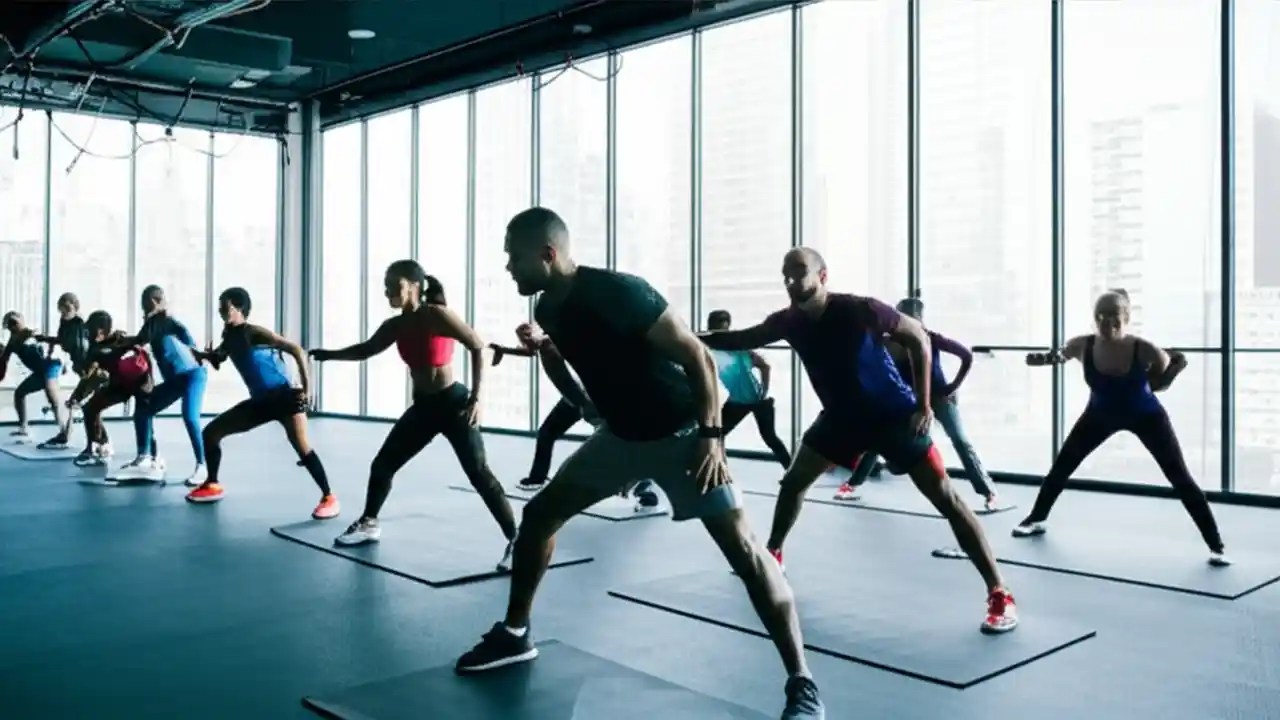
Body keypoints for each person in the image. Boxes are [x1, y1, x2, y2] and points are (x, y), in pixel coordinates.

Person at [454, 208, 825, 720]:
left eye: (513, 256)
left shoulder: (622, 292)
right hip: (620, 438)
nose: (507, 267)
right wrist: (582, 398)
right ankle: (515, 634)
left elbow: (696, 356)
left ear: (547, 254)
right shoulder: (548, 310)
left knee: (746, 555)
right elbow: (568, 358)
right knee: (540, 517)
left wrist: (712, 439)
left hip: (683, 437)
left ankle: (802, 683)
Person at [699, 247, 1018, 635]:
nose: (791, 281)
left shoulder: (860, 309)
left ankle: (999, 592)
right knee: (793, 483)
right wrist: (683, 335)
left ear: (823, 276)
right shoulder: (787, 322)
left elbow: (919, 338)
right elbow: (740, 338)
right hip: (841, 420)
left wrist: (923, 405)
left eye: (799, 272)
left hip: (895, 417)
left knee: (947, 499)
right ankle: (774, 552)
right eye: (785, 275)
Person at [310, 261, 519, 570]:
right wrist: (328, 355)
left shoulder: (436, 315)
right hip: (424, 408)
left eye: (389, 284)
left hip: (454, 404)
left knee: (479, 474)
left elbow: (476, 345)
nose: (385, 291)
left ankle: (518, 541)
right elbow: (365, 349)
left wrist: (478, 397)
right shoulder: (395, 325)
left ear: (410, 285)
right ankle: (369, 523)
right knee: (383, 465)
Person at [1016, 289, 1229, 566]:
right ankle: (1036, 518)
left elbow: (1161, 382)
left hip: (1147, 416)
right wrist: (1042, 360)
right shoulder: (1084, 345)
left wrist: (1173, 368)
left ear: (1126, 317)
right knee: (1063, 464)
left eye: (1113, 317)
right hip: (1099, 415)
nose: (1106, 324)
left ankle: (1216, 544)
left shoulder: (1145, 348)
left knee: (1179, 476)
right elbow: (1060, 355)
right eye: (1100, 317)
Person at [833, 298, 1000, 511]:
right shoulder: (890, 342)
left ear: (920, 319)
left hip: (939, 398)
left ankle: (989, 492)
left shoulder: (930, 338)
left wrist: (953, 386)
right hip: (911, 400)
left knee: (960, 441)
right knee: (878, 439)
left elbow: (966, 355)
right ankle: (852, 485)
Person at [185, 287, 339, 519]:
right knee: (211, 433)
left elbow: (296, 349)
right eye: (220, 306)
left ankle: (329, 497)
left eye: (225, 307)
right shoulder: (229, 336)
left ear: (238, 309)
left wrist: (307, 390)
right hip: (260, 402)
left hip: (286, 396)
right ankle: (212, 484)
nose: (220, 311)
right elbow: (219, 359)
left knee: (301, 446)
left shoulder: (253, 332)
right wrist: (203, 356)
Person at [491, 323, 659, 511]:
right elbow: (529, 351)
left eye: (529, 336)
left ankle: (645, 488)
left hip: (588, 400)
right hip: (571, 400)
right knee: (546, 433)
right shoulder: (538, 347)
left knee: (617, 443)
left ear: (539, 331)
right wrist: (503, 350)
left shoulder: (553, 341)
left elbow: (548, 344)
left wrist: (586, 405)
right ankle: (537, 477)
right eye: (523, 339)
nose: (527, 341)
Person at [109, 286, 208, 484]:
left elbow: (186, 337)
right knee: (145, 406)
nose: (142, 306)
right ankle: (146, 457)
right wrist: (114, 340)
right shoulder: (152, 323)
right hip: (176, 380)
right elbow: (138, 340)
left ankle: (203, 466)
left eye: (144, 302)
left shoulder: (167, 320)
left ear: (154, 301)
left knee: (190, 417)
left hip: (193, 375)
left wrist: (199, 352)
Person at [701, 309, 792, 468]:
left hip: (758, 401)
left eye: (724, 329)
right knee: (718, 433)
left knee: (770, 438)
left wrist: (764, 391)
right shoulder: (709, 349)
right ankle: (721, 469)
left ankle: (791, 471)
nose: (722, 334)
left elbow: (765, 367)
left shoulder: (742, 350)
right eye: (717, 328)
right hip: (737, 401)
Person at [66, 311, 154, 467]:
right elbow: (90, 377)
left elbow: (145, 345)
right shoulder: (97, 349)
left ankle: (152, 455)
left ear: (100, 331)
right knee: (90, 409)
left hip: (140, 385)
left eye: (90, 330)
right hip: (119, 386)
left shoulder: (122, 340)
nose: (88, 334)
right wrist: (77, 396)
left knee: (143, 416)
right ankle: (98, 446)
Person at [31, 292, 91, 449]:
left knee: (84, 403)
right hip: (80, 365)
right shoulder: (66, 323)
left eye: (66, 309)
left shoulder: (80, 323)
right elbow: (63, 342)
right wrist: (45, 339)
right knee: (78, 402)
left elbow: (76, 345)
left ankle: (95, 441)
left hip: (87, 366)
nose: (63, 313)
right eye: (62, 310)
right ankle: (66, 435)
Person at [1, 311, 67, 444]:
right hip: (40, 372)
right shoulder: (12, 342)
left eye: (14, 324)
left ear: (20, 323)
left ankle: (64, 431)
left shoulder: (30, 333)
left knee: (52, 396)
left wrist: (61, 356)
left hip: (51, 366)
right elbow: (4, 360)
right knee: (19, 393)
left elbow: (50, 341)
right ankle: (23, 427)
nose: (13, 328)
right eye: (10, 325)